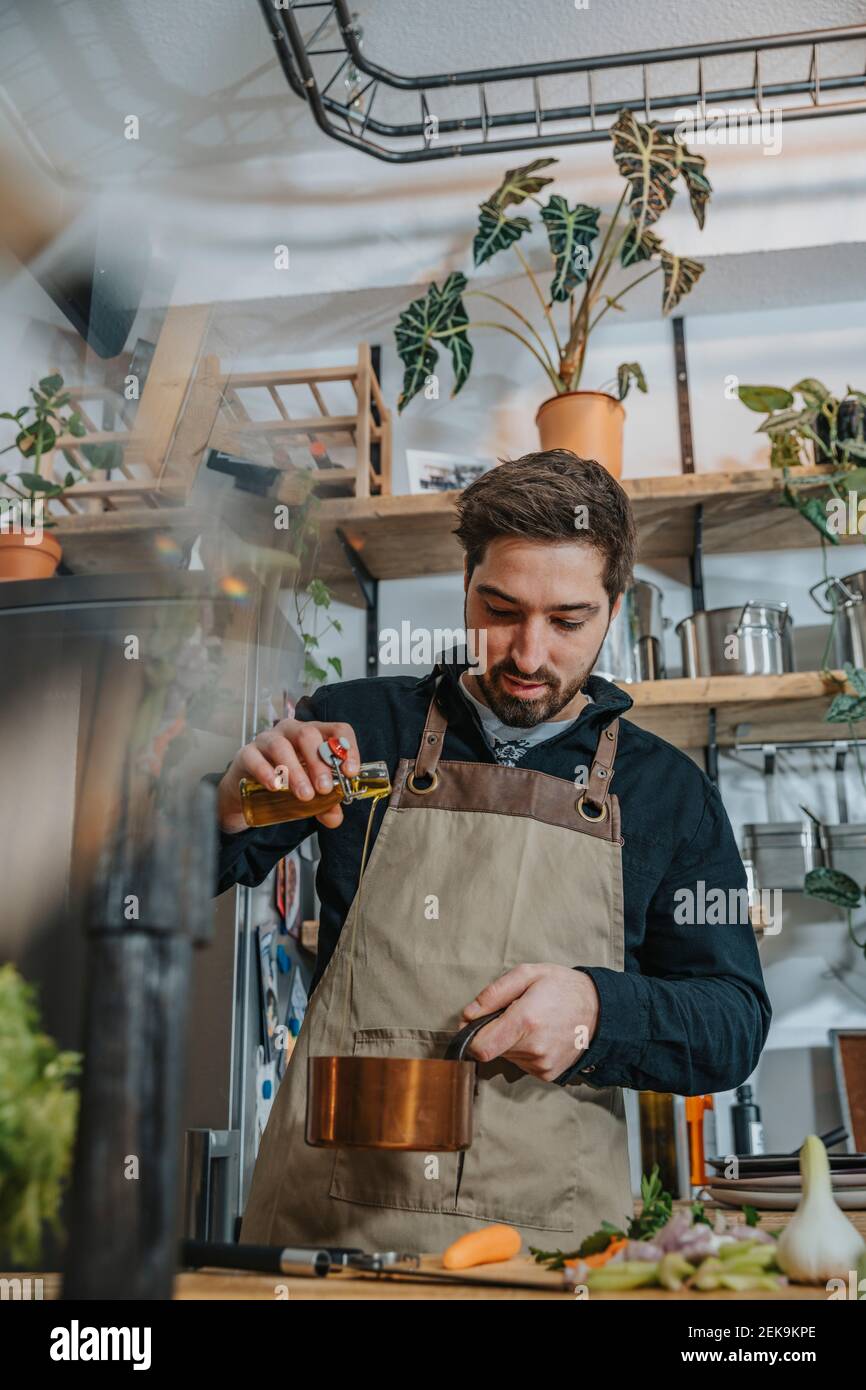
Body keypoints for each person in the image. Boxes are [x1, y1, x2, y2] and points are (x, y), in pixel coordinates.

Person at [214, 449, 772, 1251]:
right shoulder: (363, 732)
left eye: (568, 621)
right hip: (332, 1228)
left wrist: (598, 1011)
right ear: (464, 584)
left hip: (550, 1246)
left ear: (615, 608)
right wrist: (224, 808)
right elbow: (159, 877)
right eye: (500, 609)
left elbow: (734, 1024)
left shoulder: (667, 794)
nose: (527, 654)